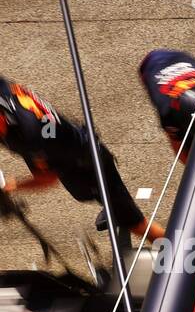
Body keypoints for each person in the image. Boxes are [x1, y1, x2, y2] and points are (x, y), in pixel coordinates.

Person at [0, 76, 165, 243]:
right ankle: (110, 207)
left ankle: (180, 256)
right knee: (83, 194)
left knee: (136, 224)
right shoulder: (3, 92)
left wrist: (10, 186)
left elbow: (47, 179)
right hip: (64, 142)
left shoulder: (32, 137)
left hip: (86, 162)